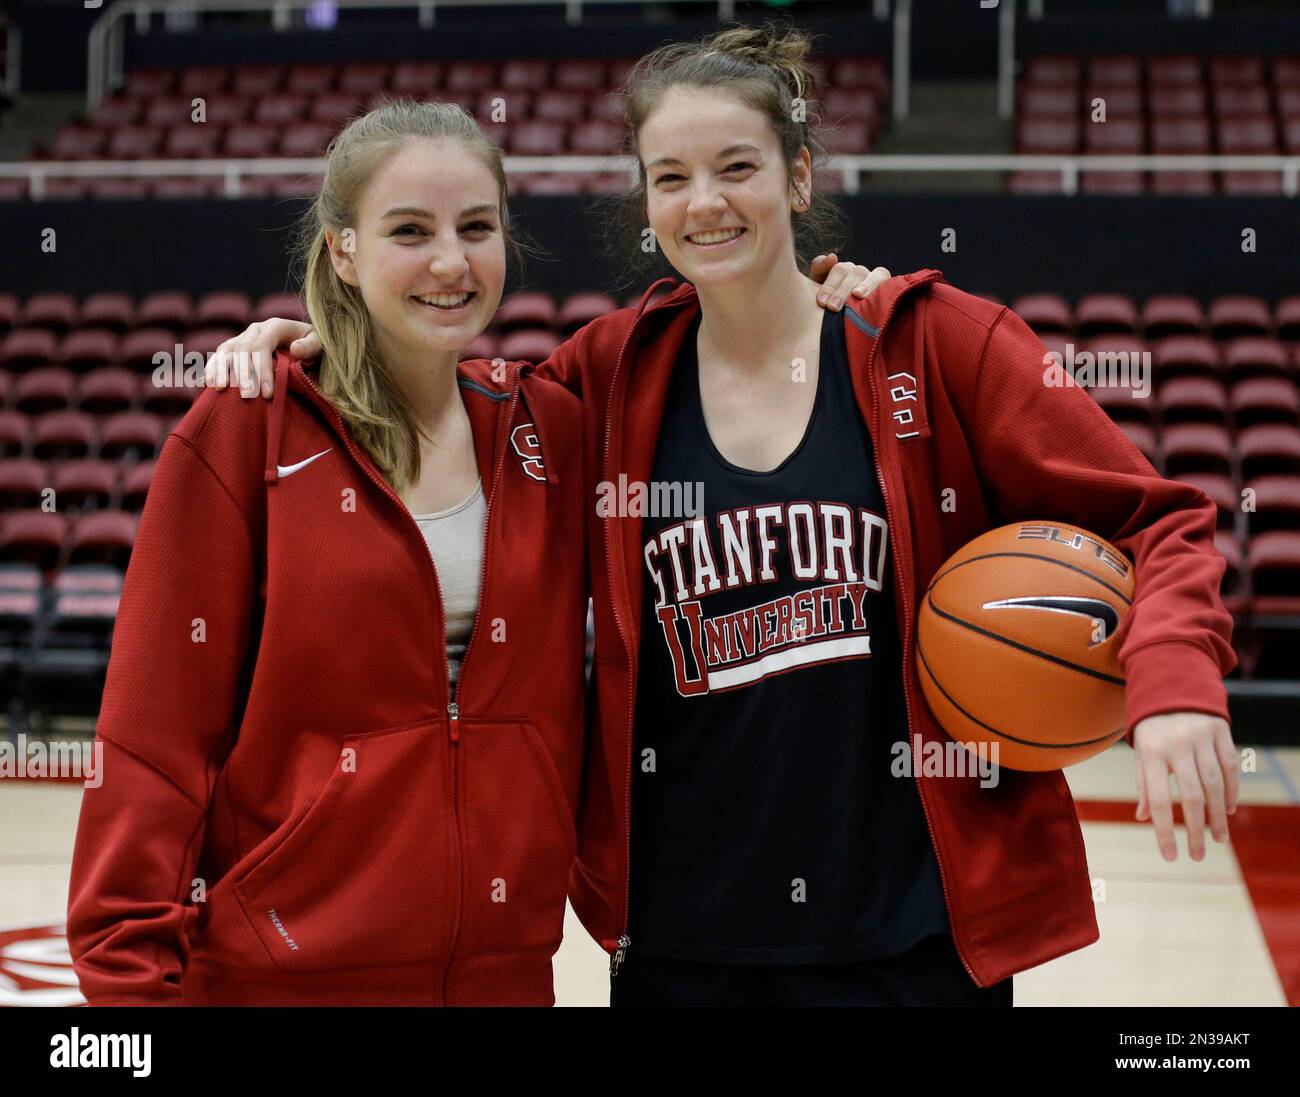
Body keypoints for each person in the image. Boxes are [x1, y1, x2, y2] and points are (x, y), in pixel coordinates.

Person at [206, 25, 1240, 1008]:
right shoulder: (601, 378)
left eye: (737, 167)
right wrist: (319, 345)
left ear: (798, 176)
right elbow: (439, 396)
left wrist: (1174, 686)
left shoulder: (933, 345)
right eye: (671, 177)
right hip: (680, 942)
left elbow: (1158, 520)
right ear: (646, 200)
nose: (705, 202)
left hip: (912, 939)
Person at [65, 99, 596, 1006]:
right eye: (409, 231)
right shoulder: (248, 428)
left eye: (477, 227)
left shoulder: (552, 427)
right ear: (342, 251)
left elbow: (704, 342)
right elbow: (155, 733)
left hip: (503, 978)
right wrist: (130, 988)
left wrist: (836, 295)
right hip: (283, 978)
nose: (450, 261)